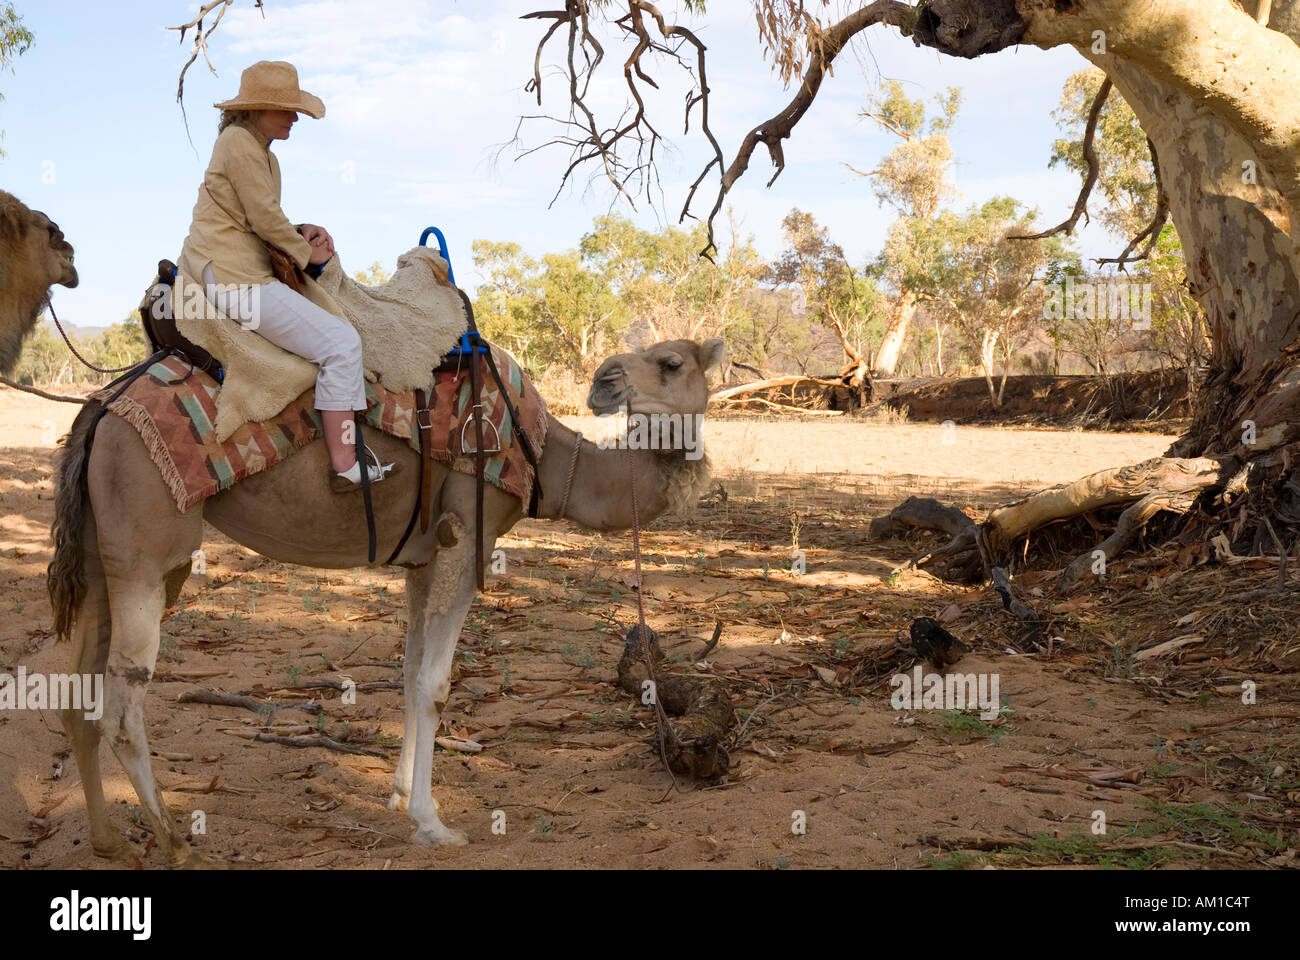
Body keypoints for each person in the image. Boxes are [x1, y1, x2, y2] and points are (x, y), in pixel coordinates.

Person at [178, 60, 394, 492]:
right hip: (235, 277)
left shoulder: (262, 155)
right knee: (341, 344)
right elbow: (263, 219)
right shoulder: (239, 143)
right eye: (284, 109)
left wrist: (299, 233)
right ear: (255, 110)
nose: (294, 117)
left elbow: (262, 218)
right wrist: (308, 255)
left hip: (243, 269)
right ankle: (346, 465)